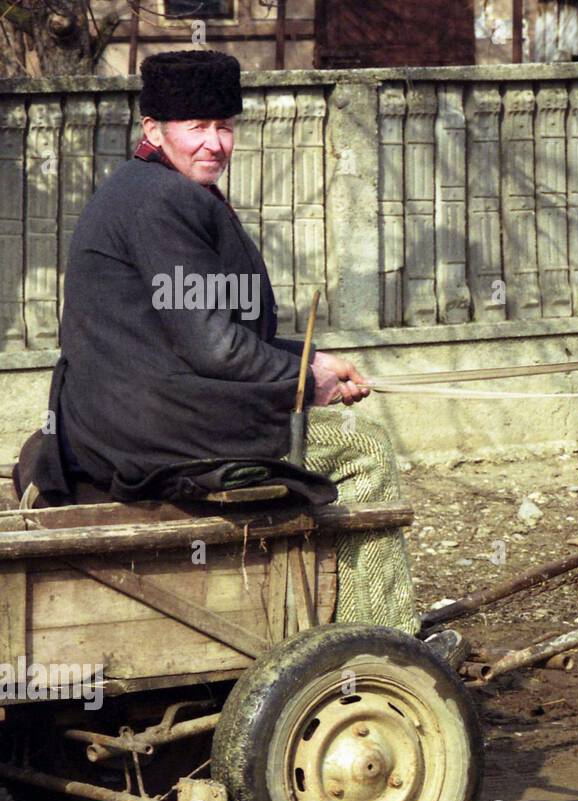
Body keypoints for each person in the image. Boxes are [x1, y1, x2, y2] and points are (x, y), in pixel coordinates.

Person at [24, 50, 419, 634]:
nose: (214, 143)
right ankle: (381, 640)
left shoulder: (144, 187)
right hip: (153, 427)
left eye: (224, 126)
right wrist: (304, 384)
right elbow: (213, 348)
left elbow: (210, 335)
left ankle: (331, 622)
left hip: (129, 411)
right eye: (196, 127)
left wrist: (312, 360)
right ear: (154, 129)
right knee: (368, 452)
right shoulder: (162, 201)